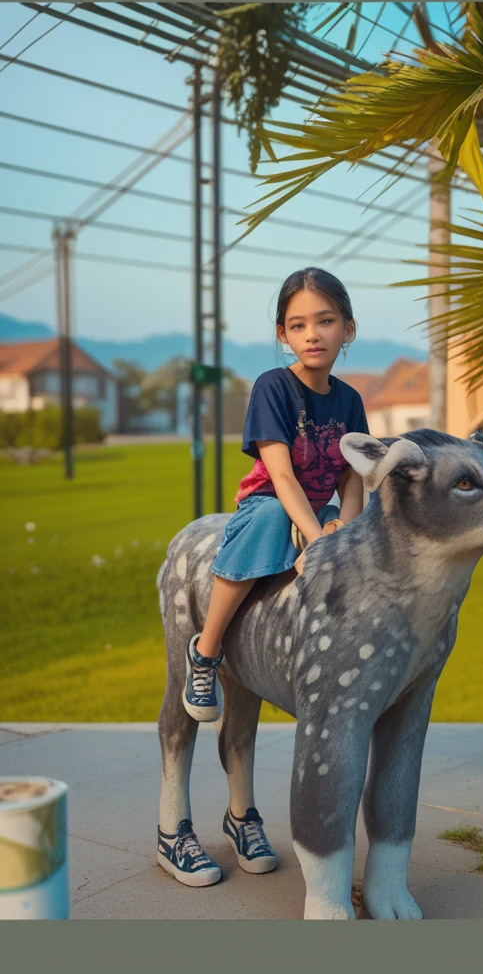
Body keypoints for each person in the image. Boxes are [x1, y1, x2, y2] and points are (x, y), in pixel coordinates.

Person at [163, 268, 369, 880]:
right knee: (271, 516)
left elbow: (354, 478)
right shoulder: (272, 388)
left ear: (348, 329)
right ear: (282, 334)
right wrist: (311, 533)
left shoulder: (351, 400)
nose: (313, 334)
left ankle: (239, 814)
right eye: (299, 325)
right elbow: (280, 476)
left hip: (324, 510)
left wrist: (343, 533)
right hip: (271, 503)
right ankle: (206, 651)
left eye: (325, 321)